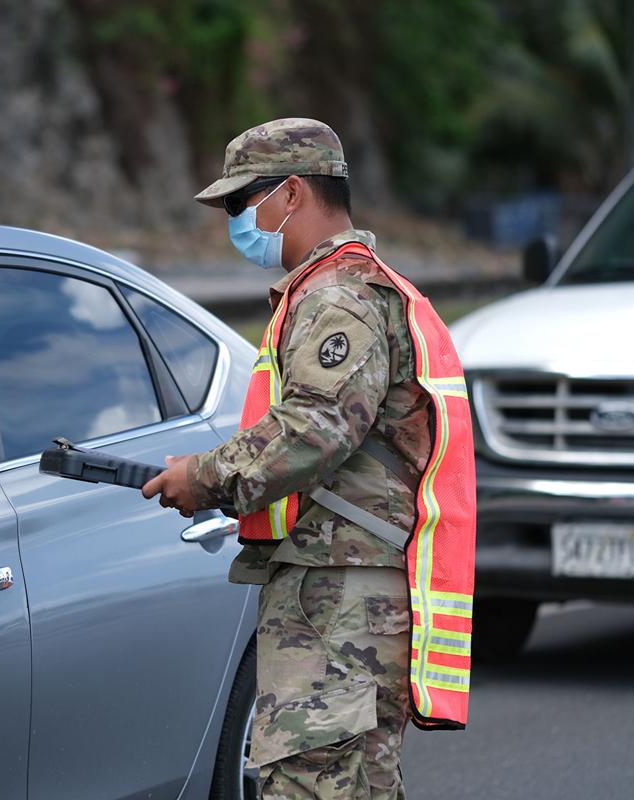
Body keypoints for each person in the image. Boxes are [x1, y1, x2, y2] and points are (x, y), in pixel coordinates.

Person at [142, 118, 476, 799]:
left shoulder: (338, 298)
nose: (235, 222)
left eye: (241, 203)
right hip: (341, 586)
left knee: (317, 783)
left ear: (291, 193)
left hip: (340, 597)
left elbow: (316, 427)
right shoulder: (344, 289)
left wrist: (203, 477)